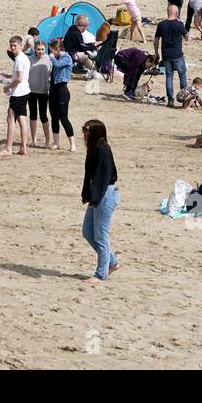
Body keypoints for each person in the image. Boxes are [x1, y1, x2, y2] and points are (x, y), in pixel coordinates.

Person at [80, 119, 120, 284]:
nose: (83, 133)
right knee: (87, 232)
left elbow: (103, 178)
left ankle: (101, 274)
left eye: (86, 130)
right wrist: (86, 194)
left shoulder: (103, 150)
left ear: (95, 132)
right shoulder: (93, 148)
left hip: (106, 194)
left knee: (101, 236)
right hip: (98, 194)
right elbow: (89, 174)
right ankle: (112, 262)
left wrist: (95, 198)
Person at [0, 35, 32, 156]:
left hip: (18, 93)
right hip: (25, 91)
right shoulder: (24, 57)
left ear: (20, 45)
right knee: (22, 119)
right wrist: (9, 76)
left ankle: (8, 148)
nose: (12, 48)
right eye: (11, 45)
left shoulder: (18, 59)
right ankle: (23, 147)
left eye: (15, 45)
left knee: (11, 119)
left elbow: (19, 78)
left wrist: (8, 86)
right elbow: (20, 76)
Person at [152, 4, 188, 107]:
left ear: (168, 12)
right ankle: (184, 99)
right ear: (177, 13)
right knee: (182, 76)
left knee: (169, 76)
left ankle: (170, 100)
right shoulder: (179, 24)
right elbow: (186, 37)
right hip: (177, 54)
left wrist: (156, 52)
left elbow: (156, 40)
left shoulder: (161, 24)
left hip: (166, 54)